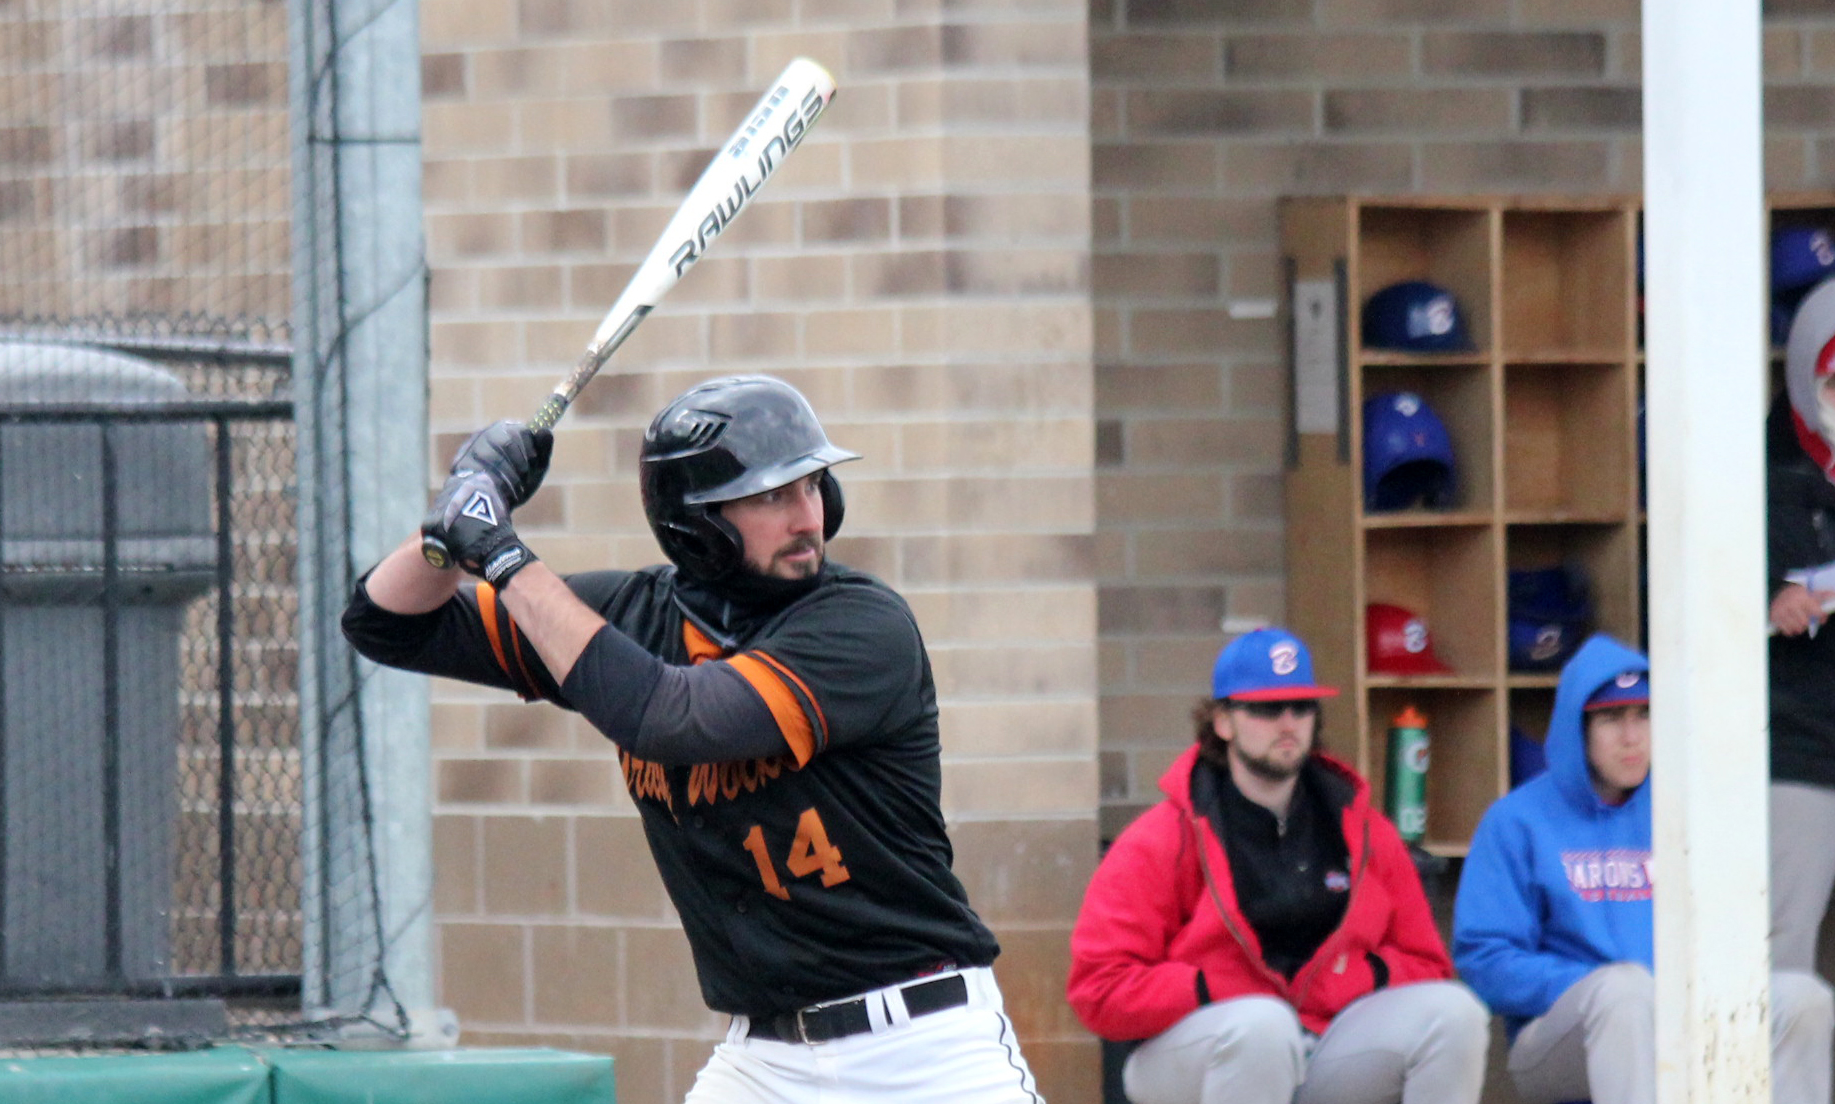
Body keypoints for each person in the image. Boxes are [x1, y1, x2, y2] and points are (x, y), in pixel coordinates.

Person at [342, 375, 1043, 1103]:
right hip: (766, 1063)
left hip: (924, 1053)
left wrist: (502, 551)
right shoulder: (632, 614)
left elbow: (671, 719)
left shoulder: (862, 628)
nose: (807, 517)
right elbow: (383, 623)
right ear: (695, 525)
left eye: (811, 486)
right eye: (771, 497)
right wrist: (448, 532)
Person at [1066, 627, 1488, 1104]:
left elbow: (1428, 964)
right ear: (1223, 721)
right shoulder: (1162, 836)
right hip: (1194, 1054)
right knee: (1261, 1026)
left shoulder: (1362, 826)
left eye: (1302, 707)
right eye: (1267, 709)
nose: (1288, 723)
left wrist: (1352, 978)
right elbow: (1098, 990)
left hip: (1324, 1039)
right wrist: (1210, 984)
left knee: (1457, 1013)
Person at [1452, 634, 1835, 1104]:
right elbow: (1484, 959)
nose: (1632, 738)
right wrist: (1592, 987)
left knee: (1803, 999)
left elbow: (1731, 934)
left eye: (1644, 715)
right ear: (1579, 728)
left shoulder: (1685, 810)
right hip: (1559, 1036)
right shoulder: (1517, 819)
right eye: (1612, 719)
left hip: (1680, 1013)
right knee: (1624, 993)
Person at [1768, 277, 1835, 977]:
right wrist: (1767, 602)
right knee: (1784, 951)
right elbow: (1681, 583)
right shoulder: (1754, 470)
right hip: (1798, 750)